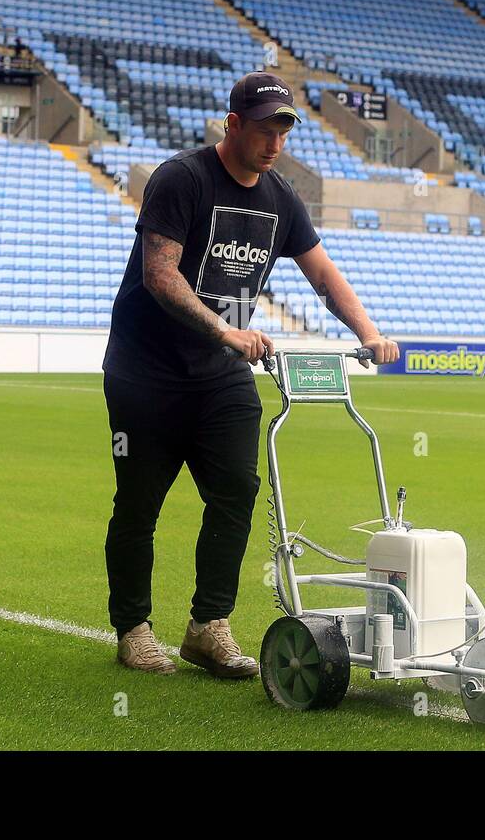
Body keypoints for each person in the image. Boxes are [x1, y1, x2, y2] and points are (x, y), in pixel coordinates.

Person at [101, 71, 399, 677]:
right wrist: (222, 329)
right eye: (264, 130)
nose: (273, 144)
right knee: (139, 504)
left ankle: (209, 626)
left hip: (222, 375)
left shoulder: (279, 196)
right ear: (233, 124)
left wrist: (366, 331)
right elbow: (161, 274)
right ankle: (133, 628)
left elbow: (322, 274)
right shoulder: (182, 179)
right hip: (146, 374)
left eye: (283, 132)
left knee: (236, 492)